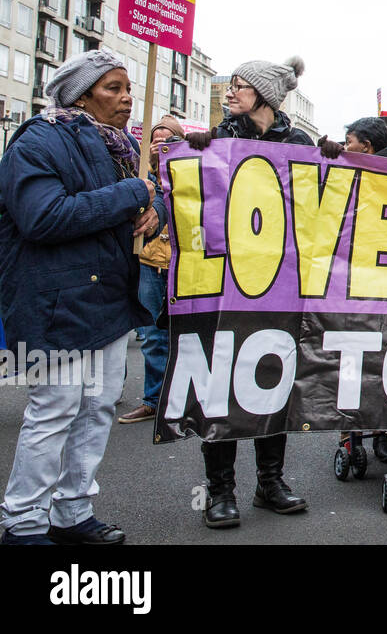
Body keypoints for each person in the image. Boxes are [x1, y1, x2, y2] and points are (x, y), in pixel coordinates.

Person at [0, 50, 167, 545]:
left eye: (129, 88)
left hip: (108, 299)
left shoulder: (118, 147)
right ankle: (23, 520)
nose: (126, 98)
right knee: (54, 411)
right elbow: (42, 216)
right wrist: (132, 195)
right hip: (54, 300)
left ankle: (71, 511)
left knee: (97, 407)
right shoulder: (39, 140)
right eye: (113, 88)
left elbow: (129, 203)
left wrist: (150, 211)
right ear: (80, 93)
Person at [185, 56, 332, 528]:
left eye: (240, 86)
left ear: (264, 96)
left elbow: (319, 207)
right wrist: (188, 153)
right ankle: (220, 490)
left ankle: (271, 482)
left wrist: (332, 161)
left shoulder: (298, 143)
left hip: (281, 284)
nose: (230, 93)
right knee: (222, 381)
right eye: (231, 86)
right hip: (225, 284)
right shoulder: (220, 138)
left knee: (272, 380)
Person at [117, 115, 187, 426]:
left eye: (167, 137)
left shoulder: (187, 173)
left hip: (180, 263)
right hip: (148, 263)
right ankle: (154, 400)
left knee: (184, 336)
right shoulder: (140, 173)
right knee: (151, 337)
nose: (160, 141)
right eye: (155, 136)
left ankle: (184, 399)